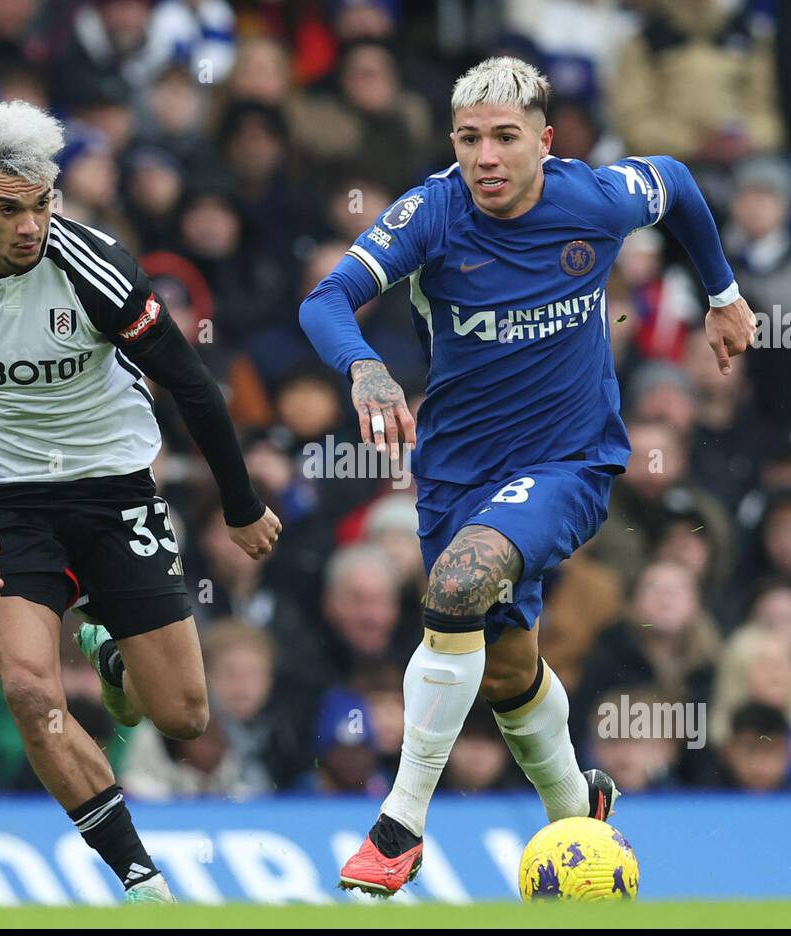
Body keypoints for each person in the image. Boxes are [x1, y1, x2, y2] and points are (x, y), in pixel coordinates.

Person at [299, 57, 755, 894]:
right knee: (506, 673)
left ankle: (398, 826)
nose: (486, 158)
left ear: (544, 142)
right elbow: (325, 300)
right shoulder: (431, 213)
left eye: (506, 138)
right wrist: (364, 368)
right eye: (469, 139)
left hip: (570, 460)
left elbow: (682, 184)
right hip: (455, 477)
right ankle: (579, 806)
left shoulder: (595, 200)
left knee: (458, 581)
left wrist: (722, 293)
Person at [0, 101, 281, 904]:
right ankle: (140, 880)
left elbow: (192, 387)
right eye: (9, 209)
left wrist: (240, 505)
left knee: (183, 717)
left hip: (112, 489)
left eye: (42, 204)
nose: (30, 225)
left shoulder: (97, 269)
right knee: (29, 685)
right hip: (1, 501)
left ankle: (107, 655)